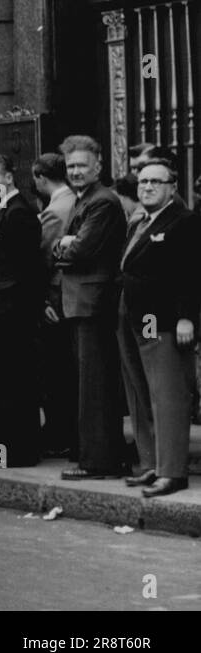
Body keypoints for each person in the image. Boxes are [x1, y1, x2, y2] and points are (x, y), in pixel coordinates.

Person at [120, 158, 197, 497]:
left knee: (165, 392)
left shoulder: (183, 222)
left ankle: (172, 472)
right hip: (133, 318)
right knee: (142, 391)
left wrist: (186, 316)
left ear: (172, 188)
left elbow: (190, 274)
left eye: (156, 181)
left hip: (157, 320)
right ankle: (152, 464)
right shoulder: (143, 221)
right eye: (143, 181)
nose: (147, 187)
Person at [53, 135, 128, 481]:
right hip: (82, 301)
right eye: (71, 166)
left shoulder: (102, 202)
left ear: (99, 165)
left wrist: (64, 246)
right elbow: (69, 247)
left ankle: (99, 461)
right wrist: (65, 244)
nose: (76, 172)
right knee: (89, 384)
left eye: (83, 165)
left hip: (92, 303)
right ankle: (96, 456)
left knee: (95, 386)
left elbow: (81, 251)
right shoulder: (89, 199)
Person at [0, 153, 45, 468]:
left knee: (13, 383)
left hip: (12, 313)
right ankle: (6, 450)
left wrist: (8, 306)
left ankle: (16, 452)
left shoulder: (20, 214)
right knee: (3, 382)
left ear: (8, 178)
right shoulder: (4, 211)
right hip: (1, 310)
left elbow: (23, 270)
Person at [33, 153, 78, 458]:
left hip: (56, 296)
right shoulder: (75, 201)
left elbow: (43, 258)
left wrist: (42, 300)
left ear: (40, 178)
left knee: (55, 368)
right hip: (71, 296)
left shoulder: (54, 211)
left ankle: (59, 431)